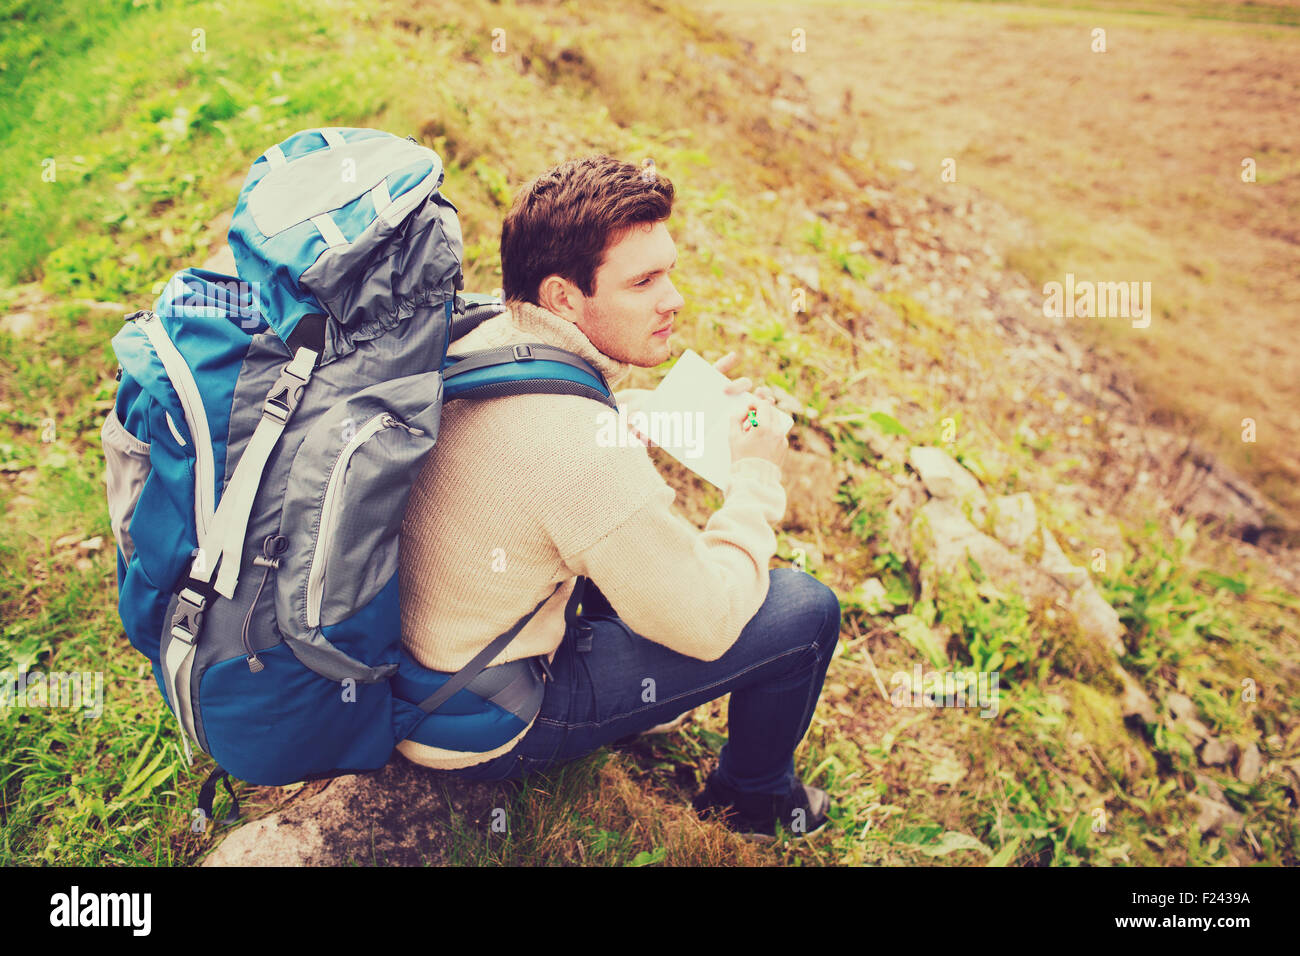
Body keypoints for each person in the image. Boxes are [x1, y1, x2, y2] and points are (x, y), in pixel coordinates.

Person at [397, 155, 842, 841]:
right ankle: (754, 801)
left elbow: (529, 448)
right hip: (479, 721)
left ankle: (645, 699)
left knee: (625, 553)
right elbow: (709, 623)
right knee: (805, 610)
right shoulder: (578, 449)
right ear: (565, 298)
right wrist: (756, 475)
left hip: (413, 665)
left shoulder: (484, 329)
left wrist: (652, 413)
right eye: (643, 282)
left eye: (668, 271)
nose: (674, 300)